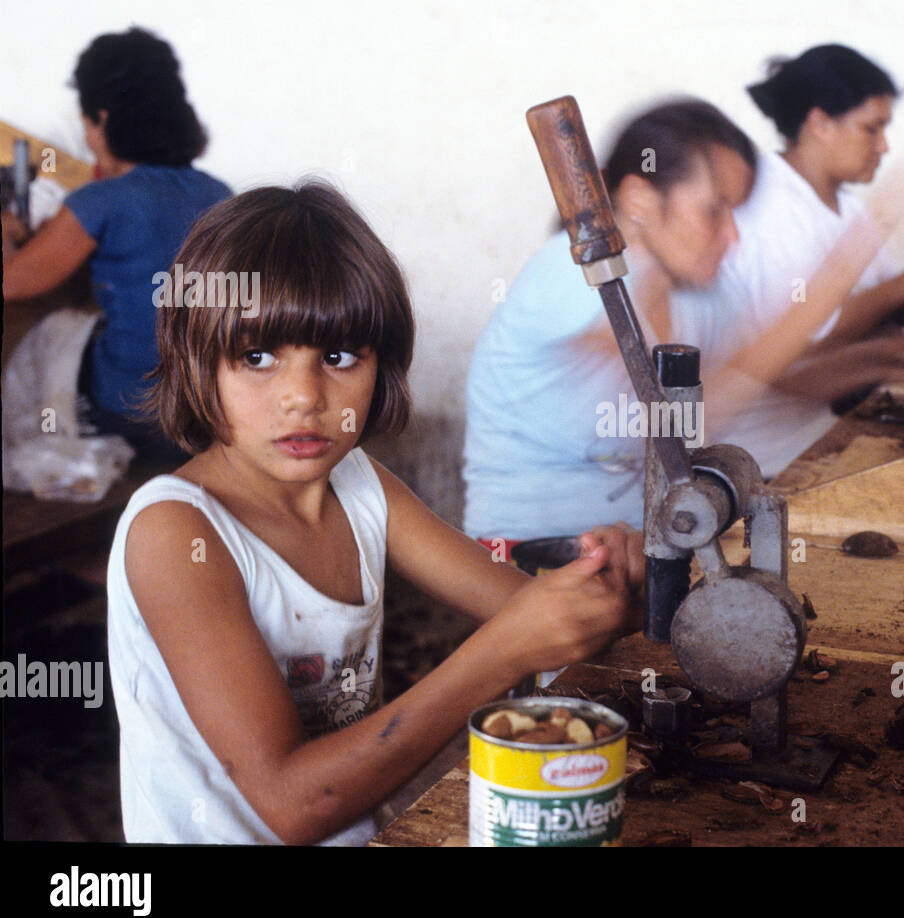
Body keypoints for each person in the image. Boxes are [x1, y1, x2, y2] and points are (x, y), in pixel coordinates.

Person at [106, 182, 641, 844]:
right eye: (257, 357)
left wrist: (602, 578)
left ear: (379, 363)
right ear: (197, 359)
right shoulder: (175, 531)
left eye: (338, 356)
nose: (304, 397)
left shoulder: (360, 487)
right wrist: (504, 653)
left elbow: (526, 609)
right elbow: (293, 805)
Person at [464, 97, 899, 545]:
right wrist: (855, 252)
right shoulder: (572, 274)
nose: (732, 237)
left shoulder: (698, 296)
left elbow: (775, 376)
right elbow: (689, 418)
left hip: (647, 549)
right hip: (533, 557)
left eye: (737, 213)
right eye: (714, 210)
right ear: (639, 199)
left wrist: (883, 363)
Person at [2, 27, 231, 461]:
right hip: (207, 409)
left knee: (53, 333)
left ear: (102, 119)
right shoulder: (220, 193)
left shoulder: (102, 200)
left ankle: (32, 470)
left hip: (135, 415)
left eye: (87, 123)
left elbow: (11, 283)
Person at [706, 44, 904, 477]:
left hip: (825, 429)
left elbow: (878, 315)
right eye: (872, 128)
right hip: (766, 458)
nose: (884, 146)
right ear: (820, 123)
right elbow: (802, 335)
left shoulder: (845, 207)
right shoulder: (769, 206)